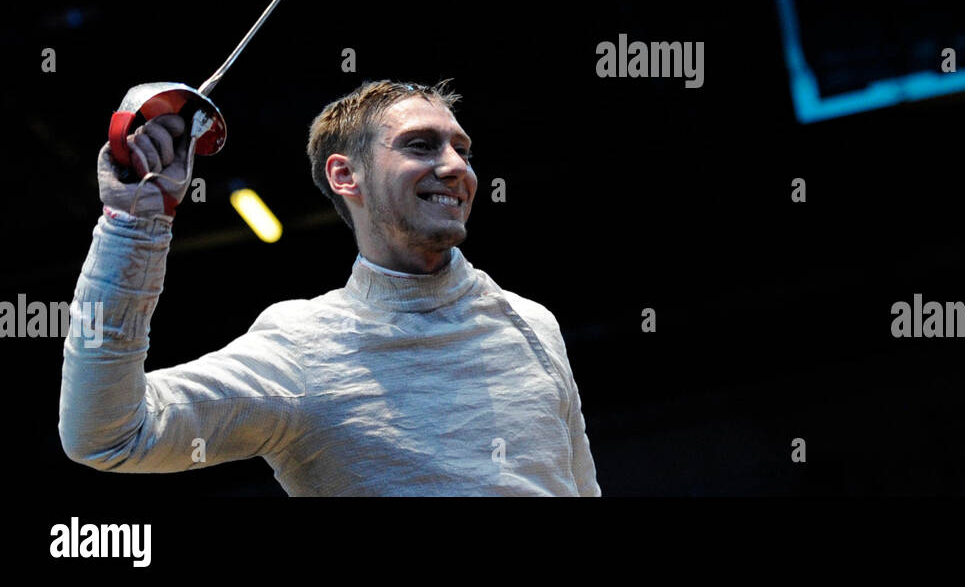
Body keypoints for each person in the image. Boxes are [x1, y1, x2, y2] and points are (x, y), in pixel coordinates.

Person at [59, 79, 600, 496]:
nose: (456, 166)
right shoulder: (301, 349)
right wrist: (133, 230)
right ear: (346, 176)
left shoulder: (531, 322)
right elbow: (108, 434)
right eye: (421, 145)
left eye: (463, 149)